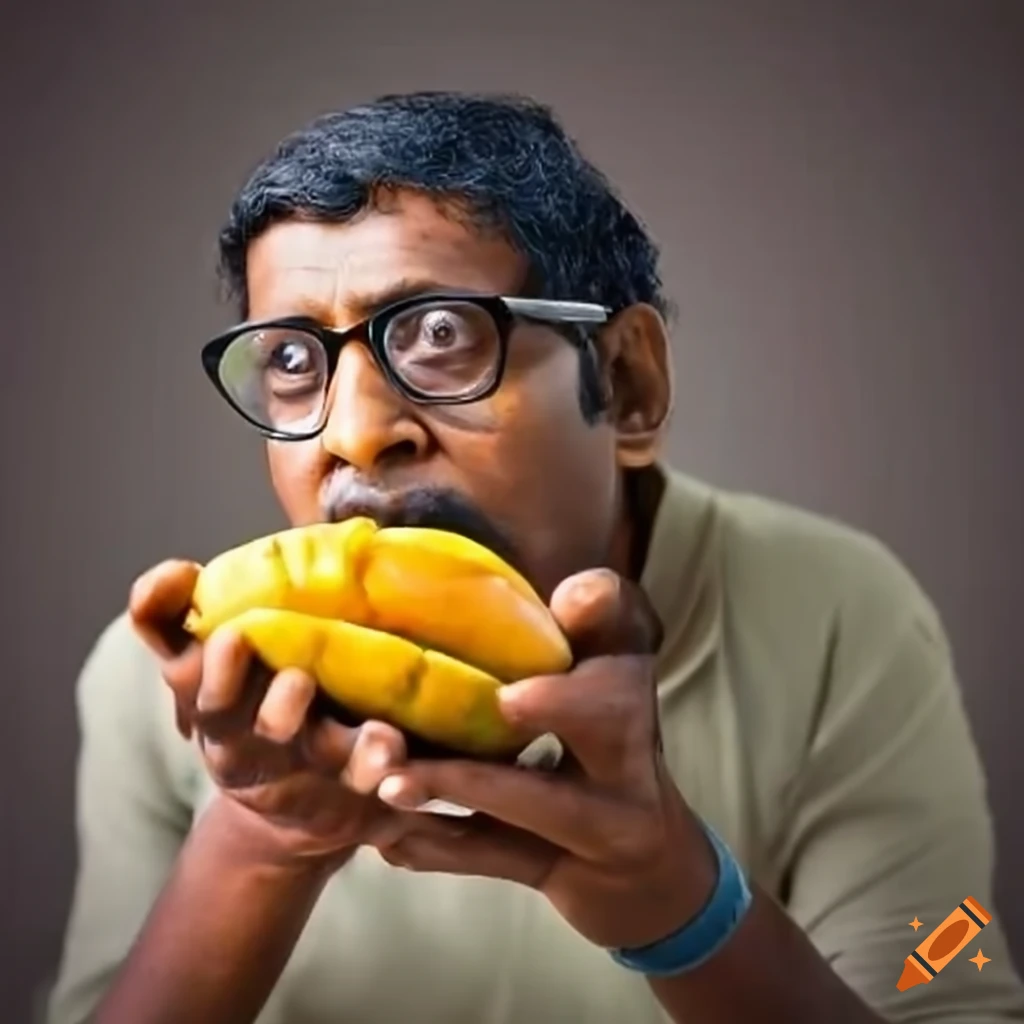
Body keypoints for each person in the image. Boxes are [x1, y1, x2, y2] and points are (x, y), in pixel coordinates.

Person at [46, 91, 1024, 1024]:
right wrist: (261, 840)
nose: (351, 434)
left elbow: (952, 963)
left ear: (629, 384)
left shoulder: (842, 620)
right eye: (294, 363)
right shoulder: (169, 682)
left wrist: (679, 899)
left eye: (439, 334)